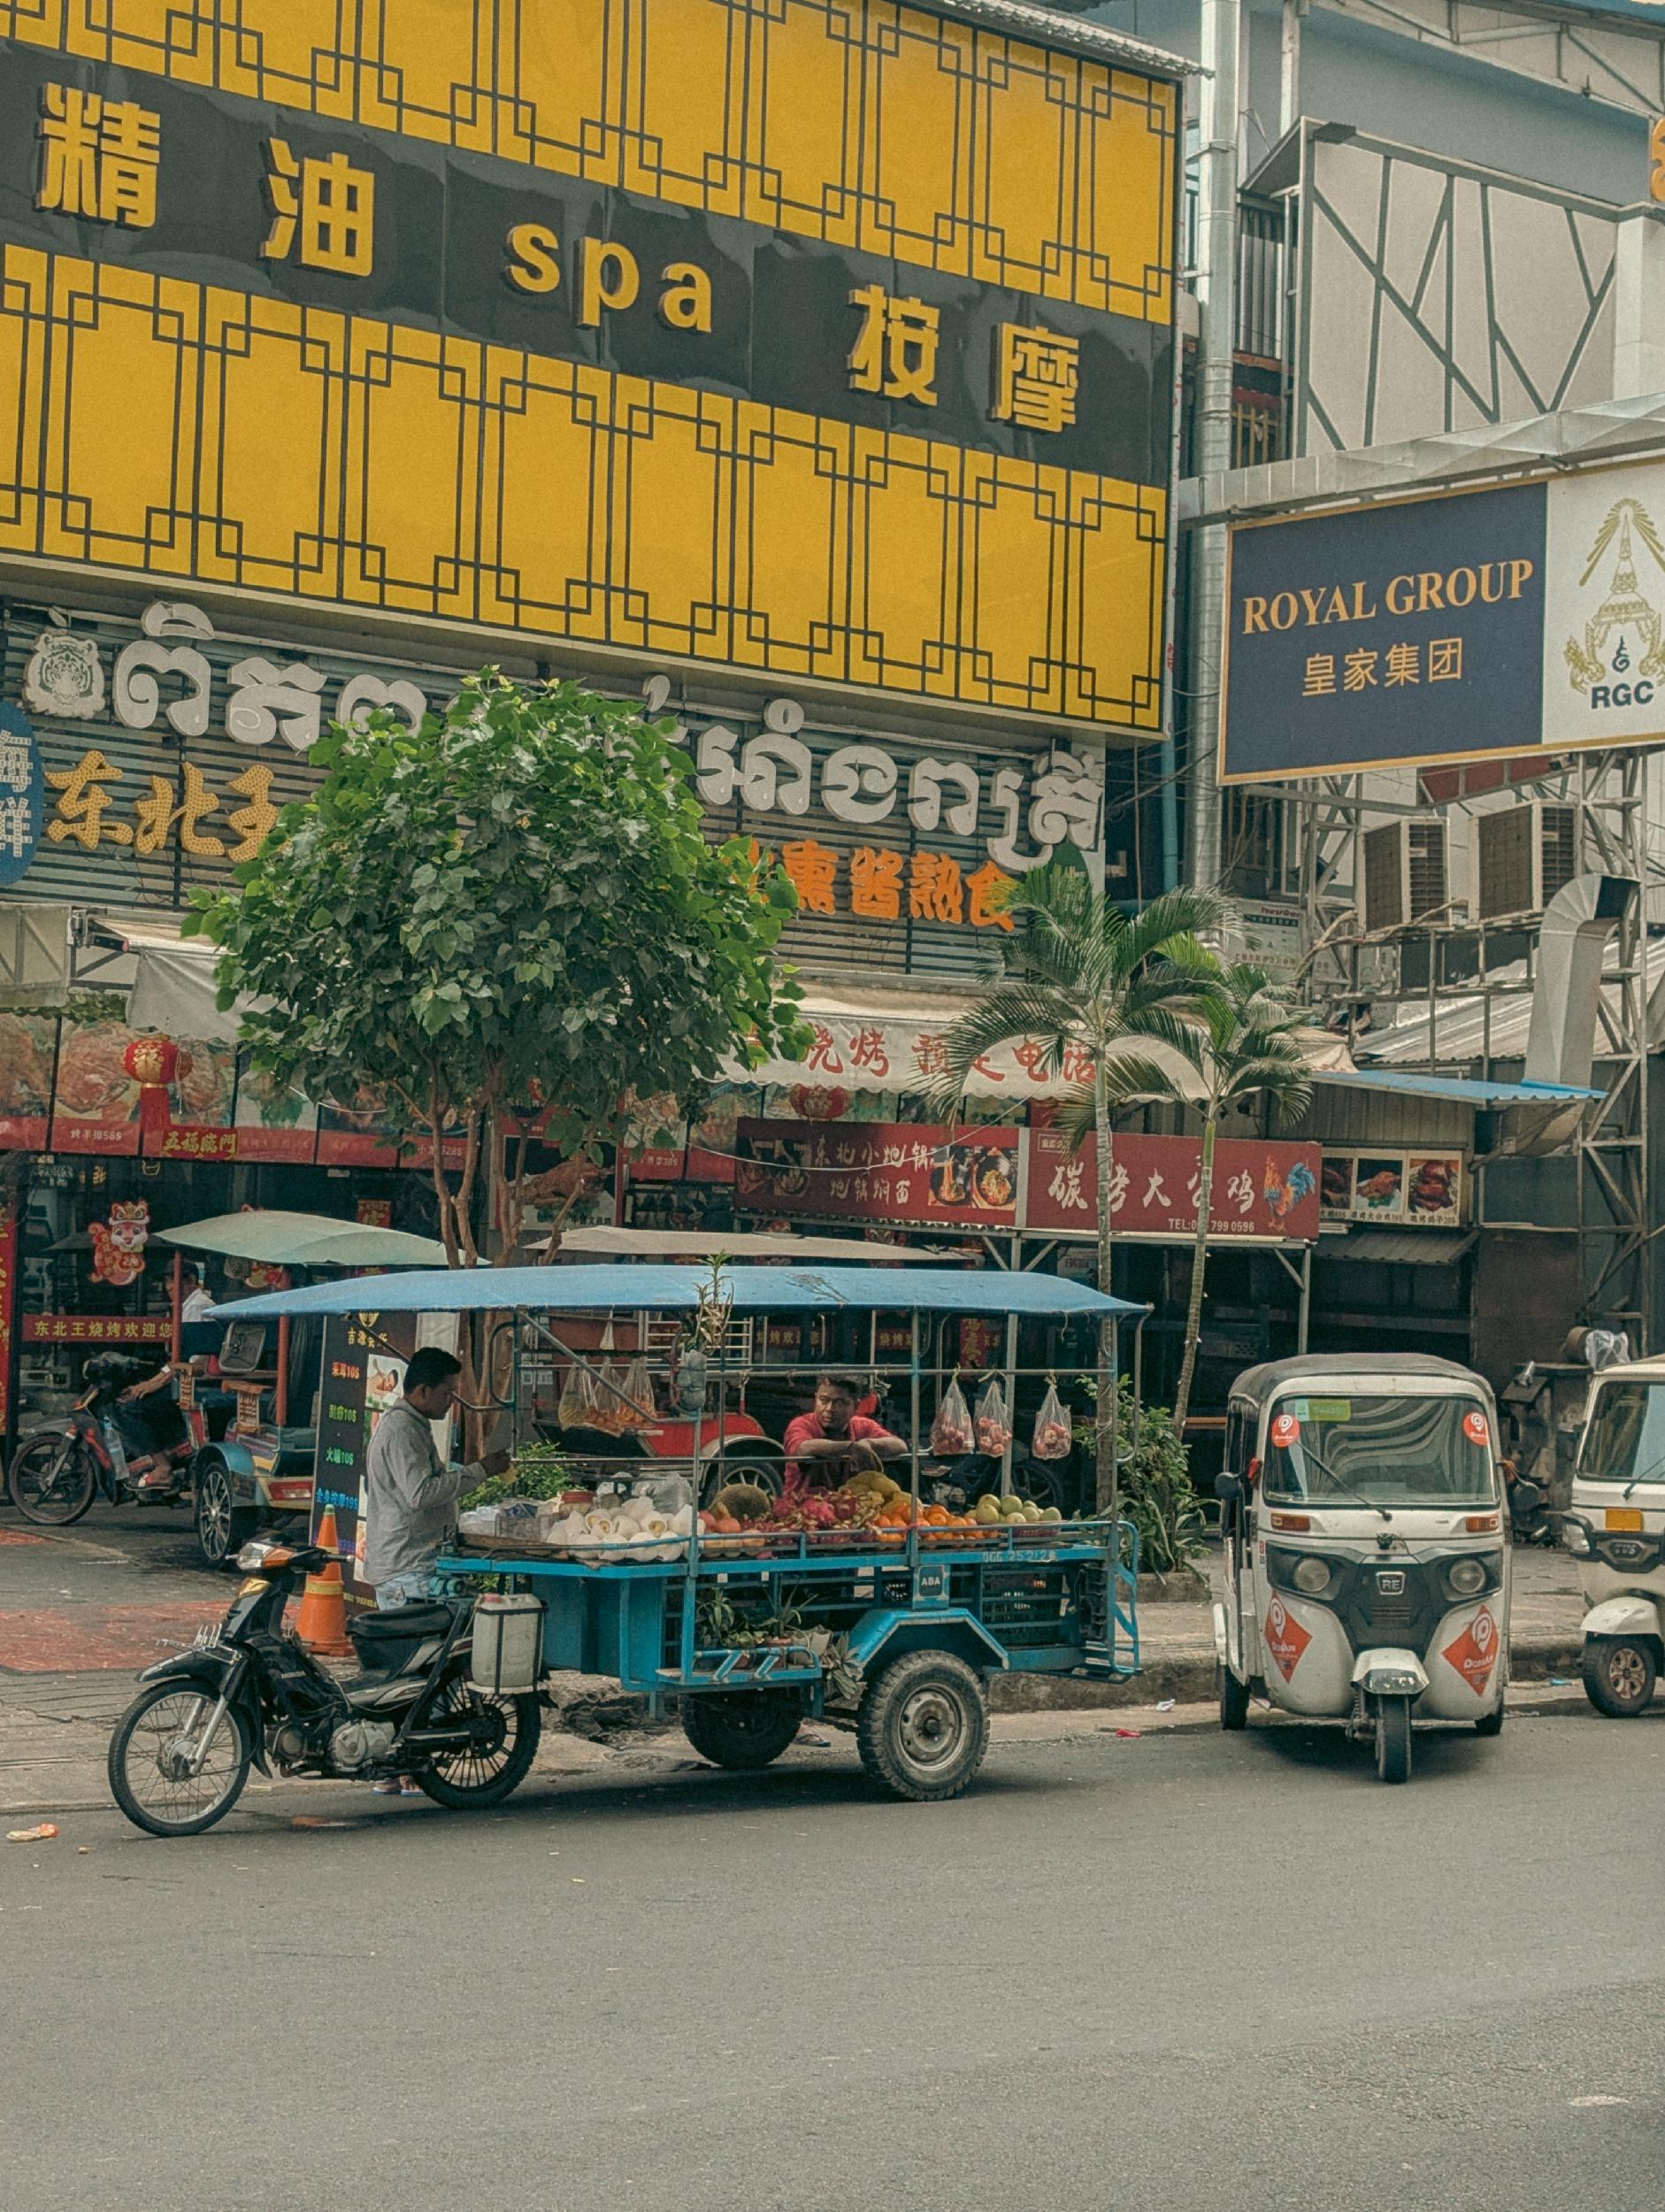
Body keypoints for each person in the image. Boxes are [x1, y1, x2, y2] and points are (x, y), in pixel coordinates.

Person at [363, 1347, 509, 1798]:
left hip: (406, 1561)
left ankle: (396, 1765)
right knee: (419, 1672)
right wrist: (479, 1471)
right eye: (447, 1393)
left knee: (404, 1672)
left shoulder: (410, 1425)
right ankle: (408, 1766)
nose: (452, 1402)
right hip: (410, 1567)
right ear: (422, 1390)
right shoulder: (403, 1430)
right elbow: (421, 1493)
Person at [783, 1374, 905, 1486]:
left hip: (851, 1504)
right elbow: (805, 1448)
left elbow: (900, 1445)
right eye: (824, 1400)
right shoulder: (801, 1424)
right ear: (816, 1399)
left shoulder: (862, 1425)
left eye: (840, 1402)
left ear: (856, 1406)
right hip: (803, 1506)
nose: (830, 1409)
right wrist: (851, 1448)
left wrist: (868, 1444)